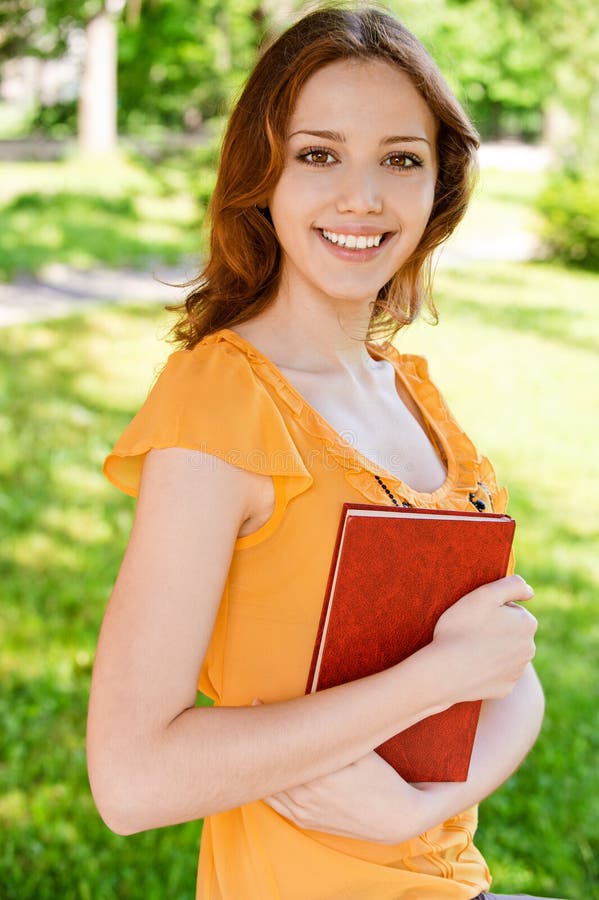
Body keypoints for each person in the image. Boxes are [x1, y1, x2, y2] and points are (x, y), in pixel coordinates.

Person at [86, 5, 558, 899]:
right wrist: (431, 680)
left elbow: (508, 675)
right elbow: (131, 780)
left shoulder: (414, 397)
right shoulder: (222, 403)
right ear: (261, 176)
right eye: (318, 155)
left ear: (438, 184)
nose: (362, 198)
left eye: (400, 159)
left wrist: (411, 809)